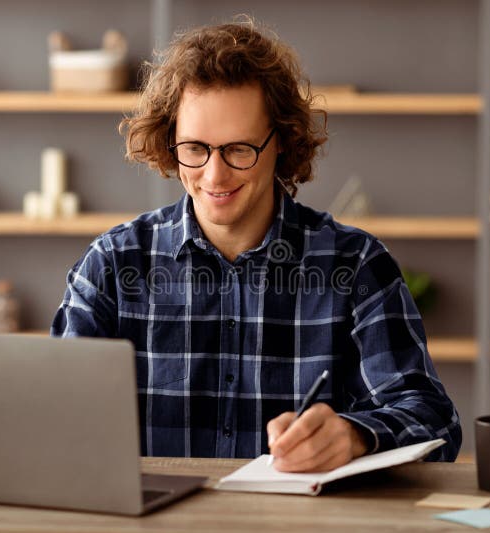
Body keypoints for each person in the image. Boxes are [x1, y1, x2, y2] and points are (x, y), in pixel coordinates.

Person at [51, 18, 461, 472]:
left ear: (282, 142)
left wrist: (355, 436)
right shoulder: (112, 265)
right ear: (171, 142)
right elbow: (54, 420)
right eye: (194, 148)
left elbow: (435, 424)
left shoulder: (357, 265)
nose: (214, 175)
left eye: (240, 149)